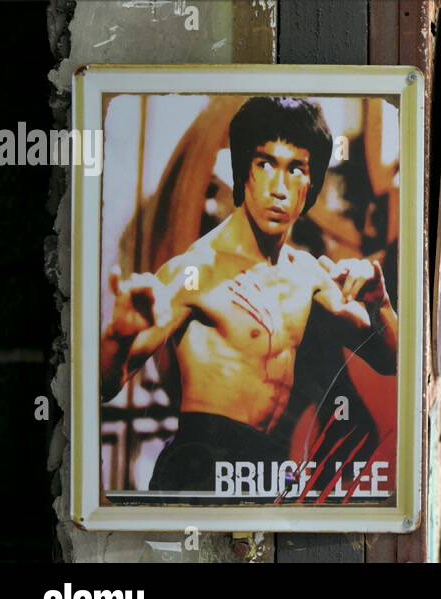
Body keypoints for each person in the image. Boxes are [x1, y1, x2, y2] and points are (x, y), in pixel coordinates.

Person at [101, 97, 397, 492]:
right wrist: (119, 338)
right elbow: (104, 386)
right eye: (265, 164)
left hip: (267, 469)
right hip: (201, 467)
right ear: (244, 172)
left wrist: (381, 304)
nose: (279, 188)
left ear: (312, 184)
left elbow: (389, 359)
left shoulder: (308, 275)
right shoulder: (197, 271)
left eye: (296, 169)